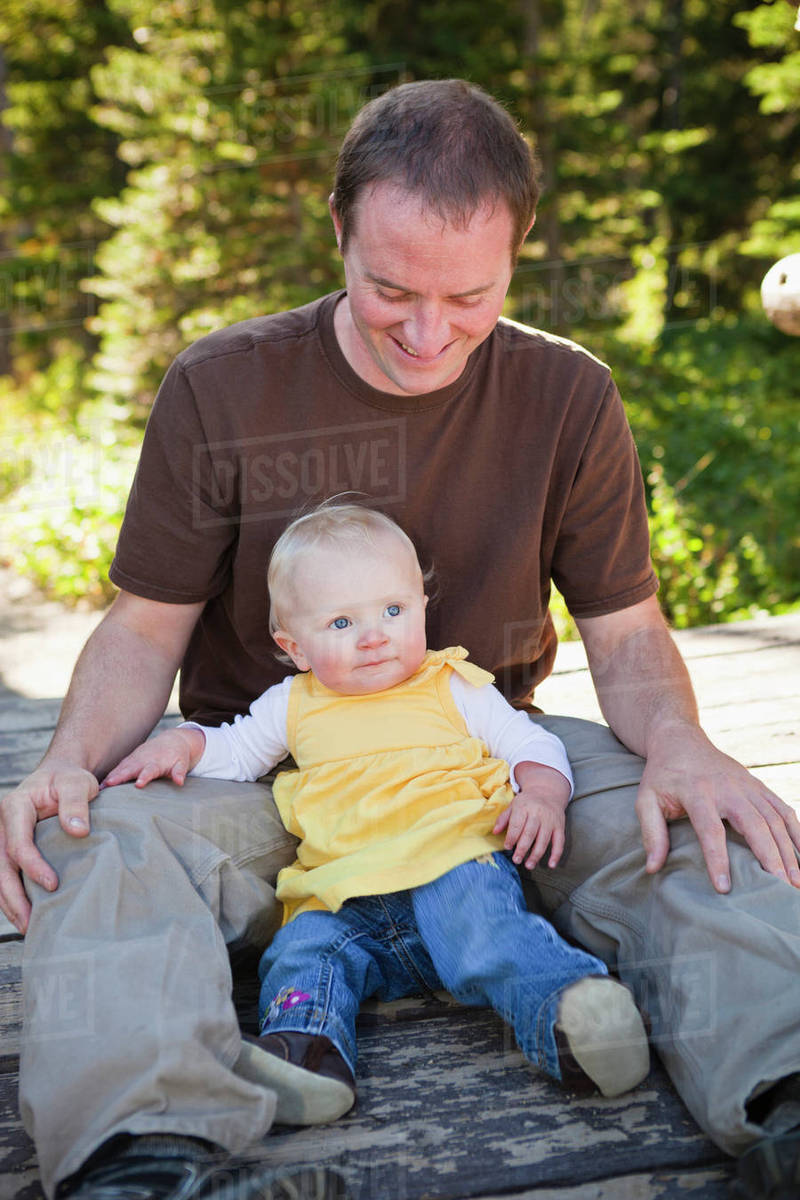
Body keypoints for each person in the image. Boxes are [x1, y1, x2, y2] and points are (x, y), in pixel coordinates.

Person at [1, 78, 798, 1200]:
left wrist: (675, 740)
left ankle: (783, 1088)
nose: (428, 335)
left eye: (468, 296)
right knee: (99, 838)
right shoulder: (222, 389)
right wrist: (68, 764)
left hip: (498, 770)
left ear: (518, 249)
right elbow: (141, 630)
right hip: (272, 772)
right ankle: (141, 1151)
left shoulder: (568, 395)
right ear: (336, 229)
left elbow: (625, 633)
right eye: (388, 289)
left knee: (707, 822)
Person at [101, 502, 651, 1124]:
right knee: (304, 954)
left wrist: (542, 794)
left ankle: (574, 1018)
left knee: (492, 937)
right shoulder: (292, 705)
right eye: (341, 622)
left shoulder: (452, 685)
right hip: (344, 891)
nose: (374, 636)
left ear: (421, 605)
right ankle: (308, 1054)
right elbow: (235, 751)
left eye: (394, 611)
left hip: (454, 864)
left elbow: (531, 743)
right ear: (295, 646)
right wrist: (183, 743)